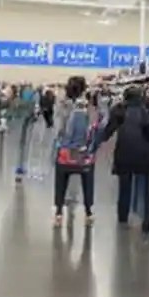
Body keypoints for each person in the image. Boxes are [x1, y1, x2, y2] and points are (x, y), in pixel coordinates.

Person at [100, 86, 149, 235]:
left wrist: (97, 140)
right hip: (145, 155)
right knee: (145, 189)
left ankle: (123, 217)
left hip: (125, 154)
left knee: (125, 187)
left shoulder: (119, 110)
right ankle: (146, 219)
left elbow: (107, 131)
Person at [53, 76, 100, 227]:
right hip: (84, 153)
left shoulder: (62, 106)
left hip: (65, 153)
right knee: (87, 182)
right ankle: (88, 213)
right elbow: (94, 127)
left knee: (61, 183)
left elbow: (58, 129)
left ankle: (59, 214)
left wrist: (60, 143)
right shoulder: (88, 107)